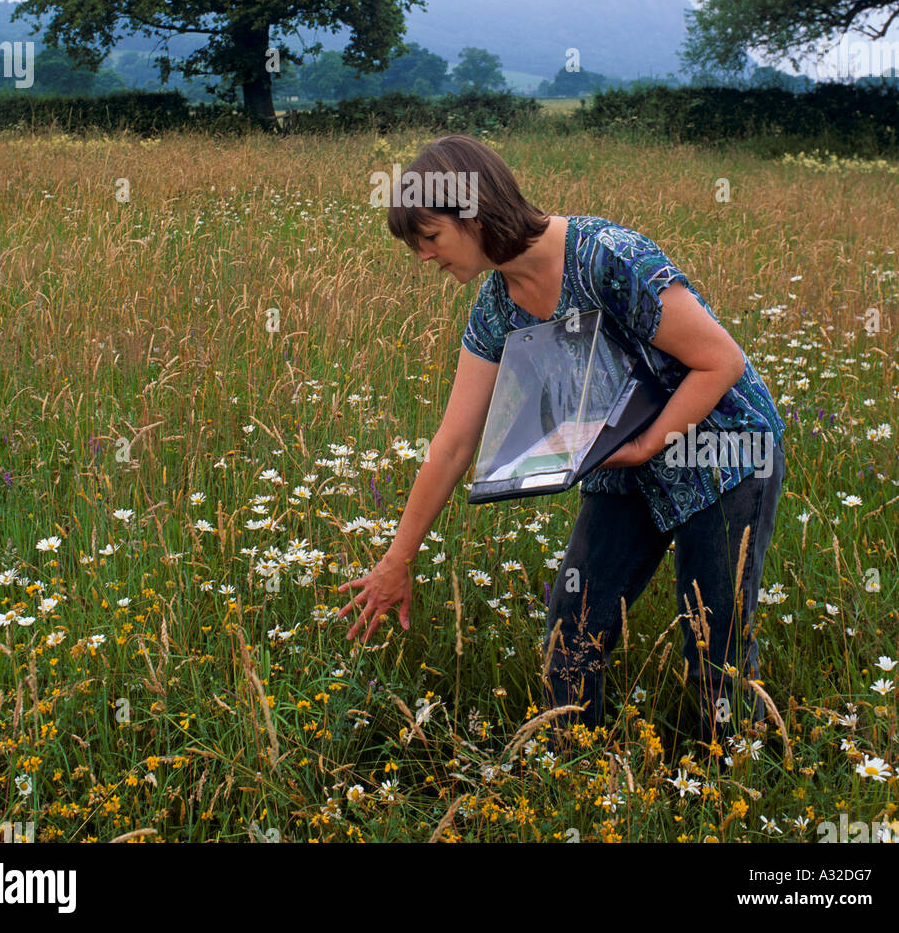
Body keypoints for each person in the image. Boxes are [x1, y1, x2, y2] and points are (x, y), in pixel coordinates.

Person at [337, 134, 786, 752]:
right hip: (626, 461)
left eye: (430, 236)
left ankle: (735, 781)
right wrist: (398, 558)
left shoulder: (606, 257)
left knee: (715, 641)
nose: (422, 255)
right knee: (571, 633)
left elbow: (720, 362)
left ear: (472, 211)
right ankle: (578, 780)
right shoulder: (496, 309)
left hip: (722, 453)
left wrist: (650, 442)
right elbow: (453, 443)